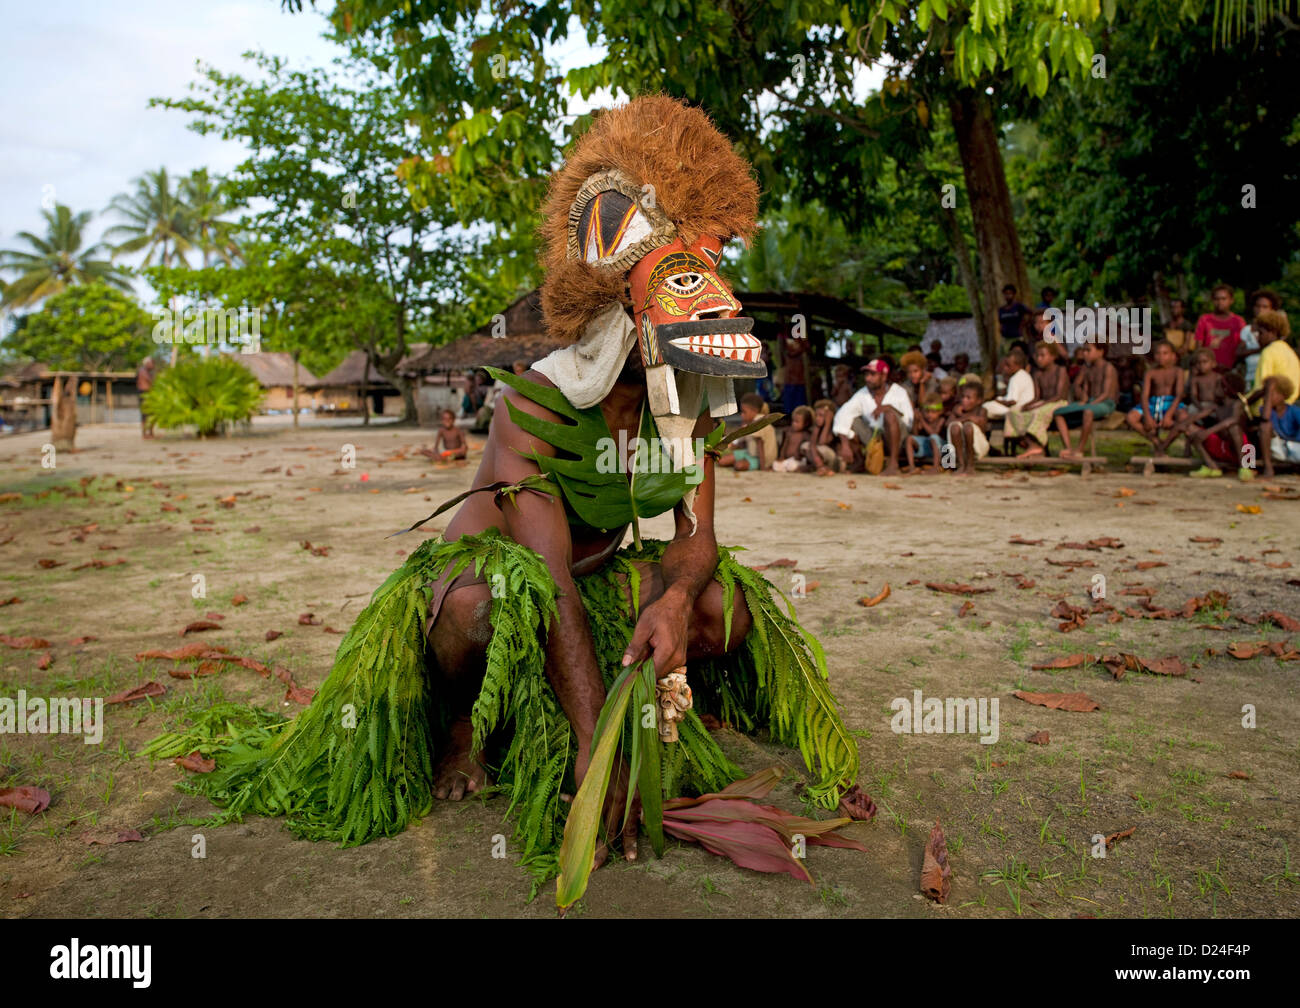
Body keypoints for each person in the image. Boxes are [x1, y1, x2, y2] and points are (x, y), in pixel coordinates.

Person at [156, 95, 857, 873]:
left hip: (593, 581)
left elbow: (697, 541)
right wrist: (596, 745)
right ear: (619, 320)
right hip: (508, 581)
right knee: (474, 609)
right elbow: (546, 579)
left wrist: (671, 597)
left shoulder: (682, 403)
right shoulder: (533, 407)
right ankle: (464, 728)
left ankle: (683, 709)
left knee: (722, 605)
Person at [833, 359, 912, 476]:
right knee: (851, 420)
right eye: (866, 374)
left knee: (890, 416)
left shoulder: (898, 392)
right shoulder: (862, 394)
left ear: (884, 376)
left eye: (872, 374)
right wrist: (844, 444)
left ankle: (893, 464)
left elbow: (909, 422)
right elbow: (843, 414)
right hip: (874, 439)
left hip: (898, 440)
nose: (868, 378)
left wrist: (890, 408)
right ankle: (860, 461)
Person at [1053, 342, 1118, 458]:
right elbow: (1080, 385)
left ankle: (1079, 450)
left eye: (1088, 350)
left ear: (1100, 352)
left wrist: (1090, 404)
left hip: (1105, 403)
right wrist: (1083, 397)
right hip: (1089, 402)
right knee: (1058, 413)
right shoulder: (1086, 368)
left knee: (1088, 412)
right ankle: (1068, 448)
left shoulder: (1108, 368)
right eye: (1084, 350)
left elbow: (1106, 393)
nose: (1084, 353)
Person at [1006, 341, 1070, 456]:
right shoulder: (1037, 374)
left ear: (1053, 356)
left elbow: (1059, 395)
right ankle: (1028, 442)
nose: (1039, 359)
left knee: (1038, 412)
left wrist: (1040, 404)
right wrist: (1027, 405)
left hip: (1058, 403)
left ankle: (1036, 446)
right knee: (1014, 411)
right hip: (1043, 403)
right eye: (1037, 356)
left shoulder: (1060, 371)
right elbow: (1037, 397)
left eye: (1042, 355)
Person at [1126, 339, 1185, 453]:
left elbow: (1179, 395)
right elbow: (1144, 396)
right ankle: (1156, 441)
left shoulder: (1178, 371)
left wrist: (1168, 415)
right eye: (1158, 353)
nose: (1161, 357)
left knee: (1183, 418)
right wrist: (1147, 417)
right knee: (1130, 418)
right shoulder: (1150, 373)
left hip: (1171, 403)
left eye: (1165, 353)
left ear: (1173, 356)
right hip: (1153, 403)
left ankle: (1165, 445)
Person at [1188, 372, 1250, 479]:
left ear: (1225, 389)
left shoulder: (1237, 404)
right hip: (1222, 448)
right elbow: (1193, 419)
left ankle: (1244, 468)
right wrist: (1186, 424)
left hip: (1242, 450)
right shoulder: (1216, 406)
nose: (1213, 388)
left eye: (1217, 386)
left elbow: (1233, 420)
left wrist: (1208, 431)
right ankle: (1211, 466)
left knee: (1234, 428)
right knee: (1193, 430)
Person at [1245, 308, 1299, 418]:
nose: (1258, 337)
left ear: (1272, 332)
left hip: (1269, 409)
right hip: (1288, 405)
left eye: (1261, 333)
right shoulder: (1289, 351)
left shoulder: (1269, 351)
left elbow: (1261, 387)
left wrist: (1243, 402)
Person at [718, 393, 778, 471]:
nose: (742, 415)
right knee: (721, 461)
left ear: (754, 411)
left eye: (744, 412)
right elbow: (745, 443)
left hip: (760, 458)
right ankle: (743, 462)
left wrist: (763, 468)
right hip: (749, 453)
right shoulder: (751, 422)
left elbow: (760, 445)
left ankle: (746, 463)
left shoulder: (759, 422)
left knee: (739, 466)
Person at [1193, 284, 1246, 372]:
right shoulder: (1204, 319)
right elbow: (1198, 347)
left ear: (1231, 300)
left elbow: (1243, 346)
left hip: (1231, 369)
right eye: (1217, 299)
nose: (1220, 302)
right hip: (1208, 371)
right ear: (1212, 300)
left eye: (1224, 299)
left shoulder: (1238, 321)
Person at [983, 347, 1035, 435]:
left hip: (1017, 410)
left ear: (1018, 366)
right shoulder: (1023, 375)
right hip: (1020, 408)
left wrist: (998, 401)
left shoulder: (1015, 378)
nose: (1005, 368)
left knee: (985, 407)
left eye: (1008, 365)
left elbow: (1012, 402)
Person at [1236, 290, 1282, 388]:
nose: (1260, 309)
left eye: (1265, 307)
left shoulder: (1277, 329)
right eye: (1257, 306)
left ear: (1272, 309)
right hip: (1250, 377)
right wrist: (1259, 349)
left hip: (1271, 378)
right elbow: (1238, 352)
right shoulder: (1247, 330)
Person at [1259, 375, 1300, 478]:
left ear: (1283, 395)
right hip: (1279, 449)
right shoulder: (1266, 411)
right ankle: (1268, 467)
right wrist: (1269, 390)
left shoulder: (1293, 411)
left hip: (1295, 448)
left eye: (1271, 394)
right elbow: (1265, 419)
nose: (1267, 398)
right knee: (1265, 426)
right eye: (1266, 394)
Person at [947, 379, 991, 476]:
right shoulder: (957, 409)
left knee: (968, 427)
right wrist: (958, 414)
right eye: (963, 397)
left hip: (978, 449)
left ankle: (970, 466)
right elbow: (948, 424)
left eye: (968, 398)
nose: (964, 400)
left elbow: (980, 422)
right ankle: (961, 465)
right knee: (954, 427)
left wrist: (963, 417)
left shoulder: (982, 410)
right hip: (961, 450)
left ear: (978, 401)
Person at [772, 404, 815, 472]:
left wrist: (800, 455)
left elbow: (808, 449)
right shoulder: (789, 432)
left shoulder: (805, 434)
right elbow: (784, 445)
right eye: (793, 421)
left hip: (798, 460)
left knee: (792, 465)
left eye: (797, 422)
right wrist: (781, 457)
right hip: (788, 459)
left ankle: (804, 468)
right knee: (776, 465)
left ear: (806, 423)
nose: (793, 424)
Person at [806, 398, 842, 474]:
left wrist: (827, 423)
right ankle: (820, 467)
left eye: (821, 415)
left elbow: (822, 442)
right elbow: (812, 444)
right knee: (806, 447)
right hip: (819, 459)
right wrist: (817, 427)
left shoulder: (834, 428)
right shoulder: (817, 427)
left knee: (820, 448)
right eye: (816, 415)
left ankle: (824, 468)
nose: (817, 418)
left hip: (833, 460)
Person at [779, 325, 808, 414]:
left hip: (799, 380)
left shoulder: (803, 345)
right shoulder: (788, 344)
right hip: (790, 379)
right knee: (790, 403)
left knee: (799, 403)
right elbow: (790, 352)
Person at [997, 284, 1032, 351]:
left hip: (1017, 337)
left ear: (1014, 294)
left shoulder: (1018, 306)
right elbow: (1000, 323)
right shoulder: (1001, 309)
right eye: (1006, 294)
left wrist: (1024, 323)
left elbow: (1031, 313)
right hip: (1005, 339)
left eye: (1010, 293)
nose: (1008, 296)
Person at [136, 357, 157, 438]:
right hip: (144, 394)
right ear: (147, 364)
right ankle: (145, 434)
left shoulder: (147, 372)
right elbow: (151, 382)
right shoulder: (143, 371)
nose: (153, 365)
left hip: (148, 394)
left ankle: (150, 433)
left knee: (151, 414)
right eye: (152, 363)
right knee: (145, 414)